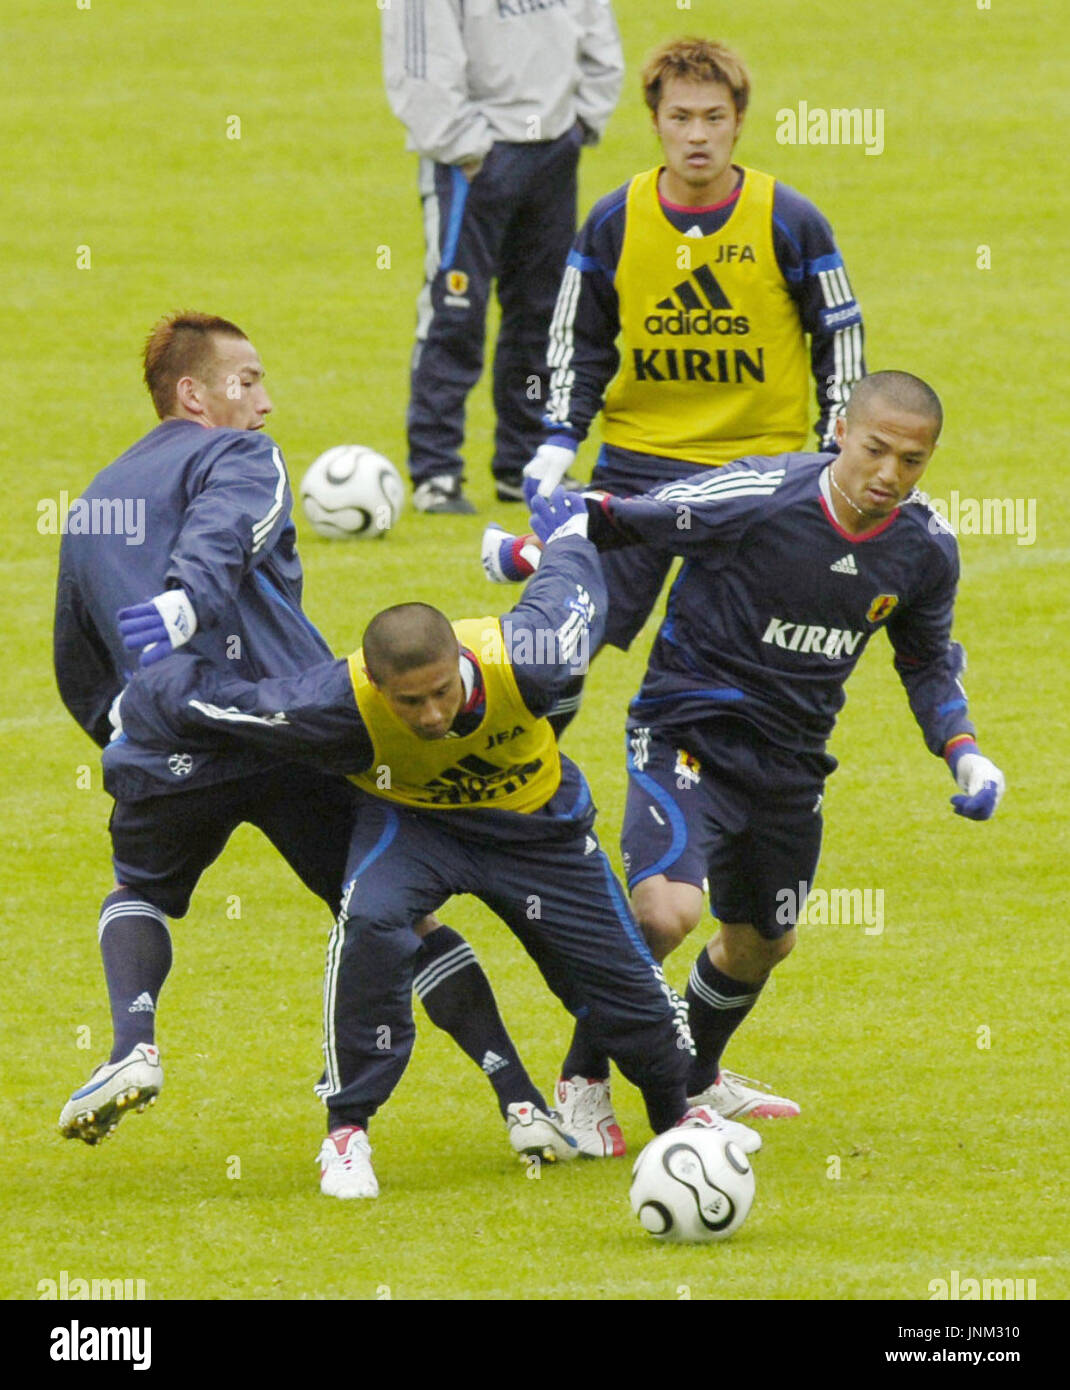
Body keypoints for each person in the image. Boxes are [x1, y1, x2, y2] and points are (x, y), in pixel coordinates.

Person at [110, 500, 762, 1197]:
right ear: (378, 687)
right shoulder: (337, 702)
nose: (429, 716)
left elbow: (576, 594)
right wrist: (136, 705)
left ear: (460, 661)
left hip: (537, 831)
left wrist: (564, 538)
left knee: (624, 985)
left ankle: (677, 1118)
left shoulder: (532, 661)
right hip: (413, 829)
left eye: (440, 694)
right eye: (408, 703)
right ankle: (347, 1131)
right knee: (370, 921)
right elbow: (226, 704)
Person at [54, 311, 544, 1147]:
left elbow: (77, 655)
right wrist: (189, 601)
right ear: (192, 393)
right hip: (289, 727)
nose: (266, 403)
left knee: (139, 891)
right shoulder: (240, 455)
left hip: (170, 739)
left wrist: (128, 735)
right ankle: (524, 1102)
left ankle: (133, 1044)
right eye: (247, 382)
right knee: (394, 911)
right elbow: (227, 530)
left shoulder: (94, 502)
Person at [522, 371, 1005, 1145]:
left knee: (762, 940)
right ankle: (583, 1078)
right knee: (665, 911)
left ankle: (696, 1077)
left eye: (911, 461)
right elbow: (627, 519)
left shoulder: (924, 549)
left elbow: (926, 662)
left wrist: (964, 752)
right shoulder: (760, 496)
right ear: (840, 430)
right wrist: (539, 542)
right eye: (876, 450)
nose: (889, 474)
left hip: (791, 762)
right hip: (687, 735)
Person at [483, 35, 867, 724]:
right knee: (562, 641)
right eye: (681, 117)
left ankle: (720, 791)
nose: (697, 136)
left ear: (739, 121)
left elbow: (839, 336)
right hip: (639, 467)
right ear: (654, 120)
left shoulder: (790, 220)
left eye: (714, 118)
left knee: (741, 658)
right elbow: (579, 339)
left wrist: (832, 449)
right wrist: (560, 438)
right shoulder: (614, 220)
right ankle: (510, 778)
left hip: (758, 474)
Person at [381, 0, 624, 514]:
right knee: (455, 315)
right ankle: (437, 470)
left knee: (543, 313)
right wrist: (465, 147)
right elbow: (421, 63)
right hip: (473, 160)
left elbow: (596, 30)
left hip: (555, 148)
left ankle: (523, 462)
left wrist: (582, 120)